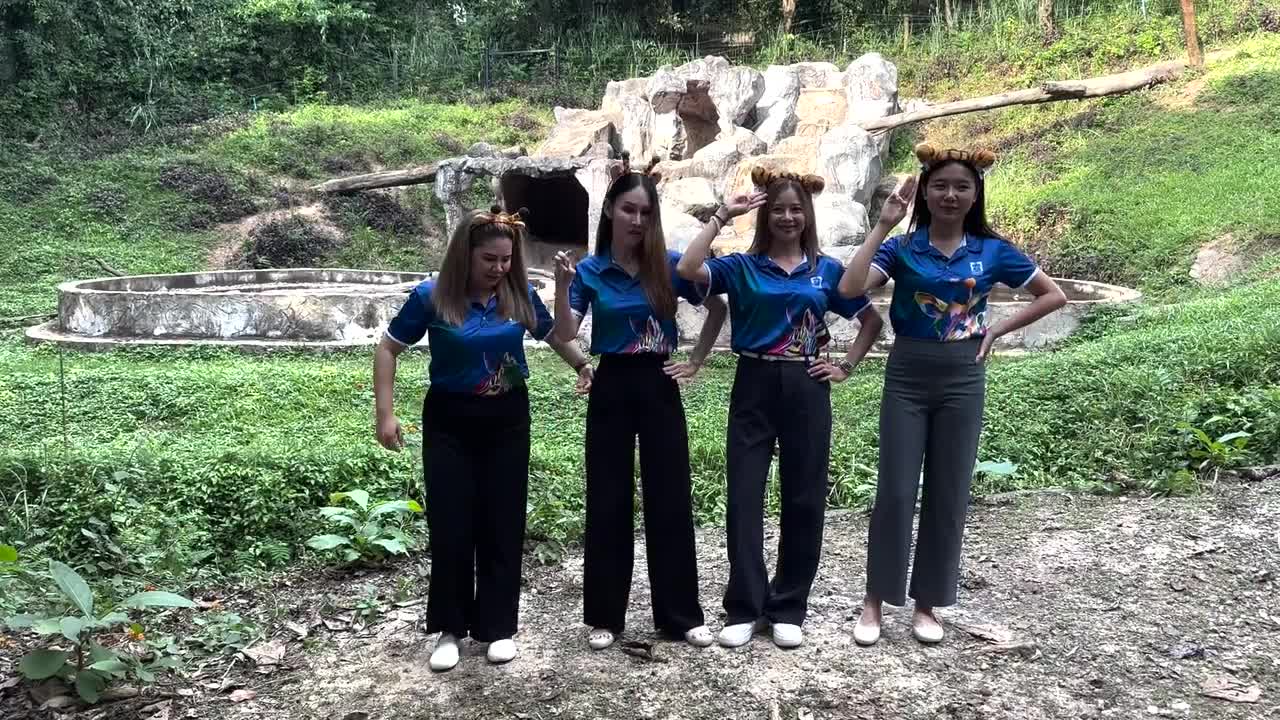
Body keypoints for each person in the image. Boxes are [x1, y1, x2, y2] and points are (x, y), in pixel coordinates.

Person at [837, 143, 1068, 646]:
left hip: (964, 375)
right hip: (907, 374)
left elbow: (1053, 295)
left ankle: (928, 603)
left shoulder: (991, 251)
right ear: (924, 192)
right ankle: (875, 600)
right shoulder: (902, 248)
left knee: (949, 490)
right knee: (896, 490)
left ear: (975, 193)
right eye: (940, 185)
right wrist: (882, 225)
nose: (950, 194)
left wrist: (998, 328)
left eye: (962, 186)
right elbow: (850, 289)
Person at [372, 207, 592, 672]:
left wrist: (582, 364)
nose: (499, 268)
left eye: (506, 259)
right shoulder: (432, 296)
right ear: (465, 255)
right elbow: (388, 348)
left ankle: (498, 627)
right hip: (449, 419)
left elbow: (554, 335)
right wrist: (385, 414)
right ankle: (450, 629)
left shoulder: (518, 295)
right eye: (489, 259)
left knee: (502, 519)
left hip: (507, 417)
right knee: (452, 522)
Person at [675, 167, 884, 649]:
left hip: (807, 385)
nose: (787, 217)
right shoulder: (742, 267)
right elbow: (687, 269)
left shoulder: (827, 270)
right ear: (764, 215)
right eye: (777, 210)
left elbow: (871, 321)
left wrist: (846, 366)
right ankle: (745, 607)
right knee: (744, 495)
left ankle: (789, 605)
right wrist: (722, 215)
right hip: (753, 381)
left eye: (795, 209)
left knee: (804, 496)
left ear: (807, 215)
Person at [550, 153, 728, 651]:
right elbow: (565, 332)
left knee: (669, 496)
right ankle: (605, 615)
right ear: (610, 210)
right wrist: (562, 287)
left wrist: (696, 360)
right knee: (608, 497)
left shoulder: (668, 265)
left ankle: (680, 615)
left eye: (646, 212)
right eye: (629, 209)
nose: (637, 220)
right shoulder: (590, 271)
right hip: (611, 383)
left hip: (658, 381)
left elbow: (717, 307)